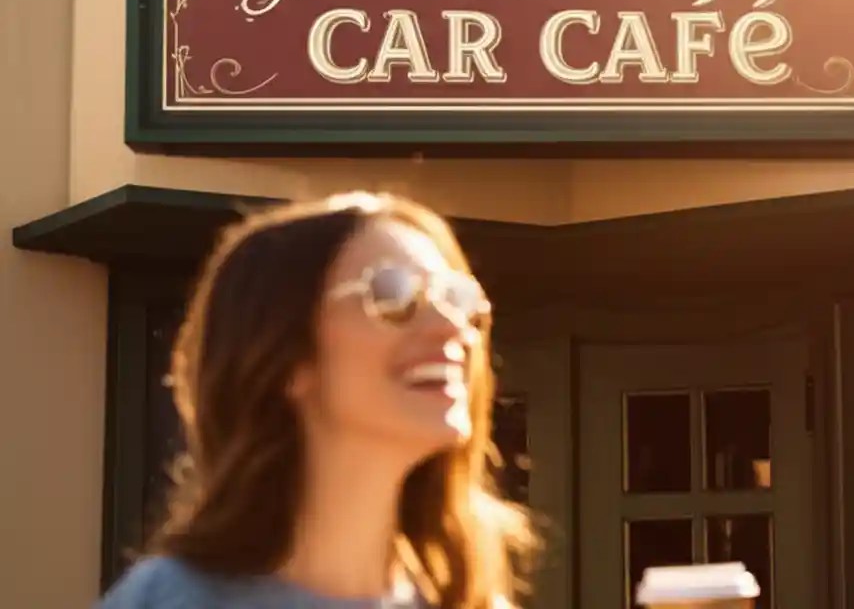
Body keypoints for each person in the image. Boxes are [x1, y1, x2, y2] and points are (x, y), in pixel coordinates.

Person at [98, 192, 536, 608]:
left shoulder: (464, 602)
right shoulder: (171, 602)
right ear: (285, 355)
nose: (451, 327)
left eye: (459, 299)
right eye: (393, 295)